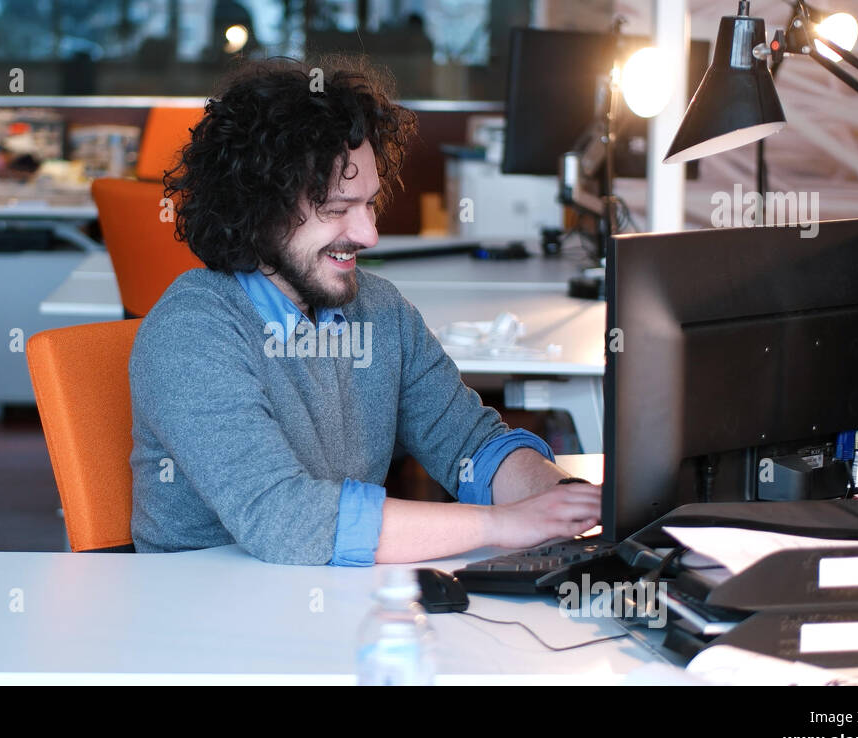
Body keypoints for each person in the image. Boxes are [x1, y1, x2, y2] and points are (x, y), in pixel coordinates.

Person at [129, 57, 601, 565]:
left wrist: (563, 501)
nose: (369, 234)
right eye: (337, 210)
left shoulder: (379, 310)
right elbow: (286, 520)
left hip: (332, 602)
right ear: (257, 210)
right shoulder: (191, 333)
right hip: (201, 616)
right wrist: (504, 525)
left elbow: (470, 444)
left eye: (370, 203)